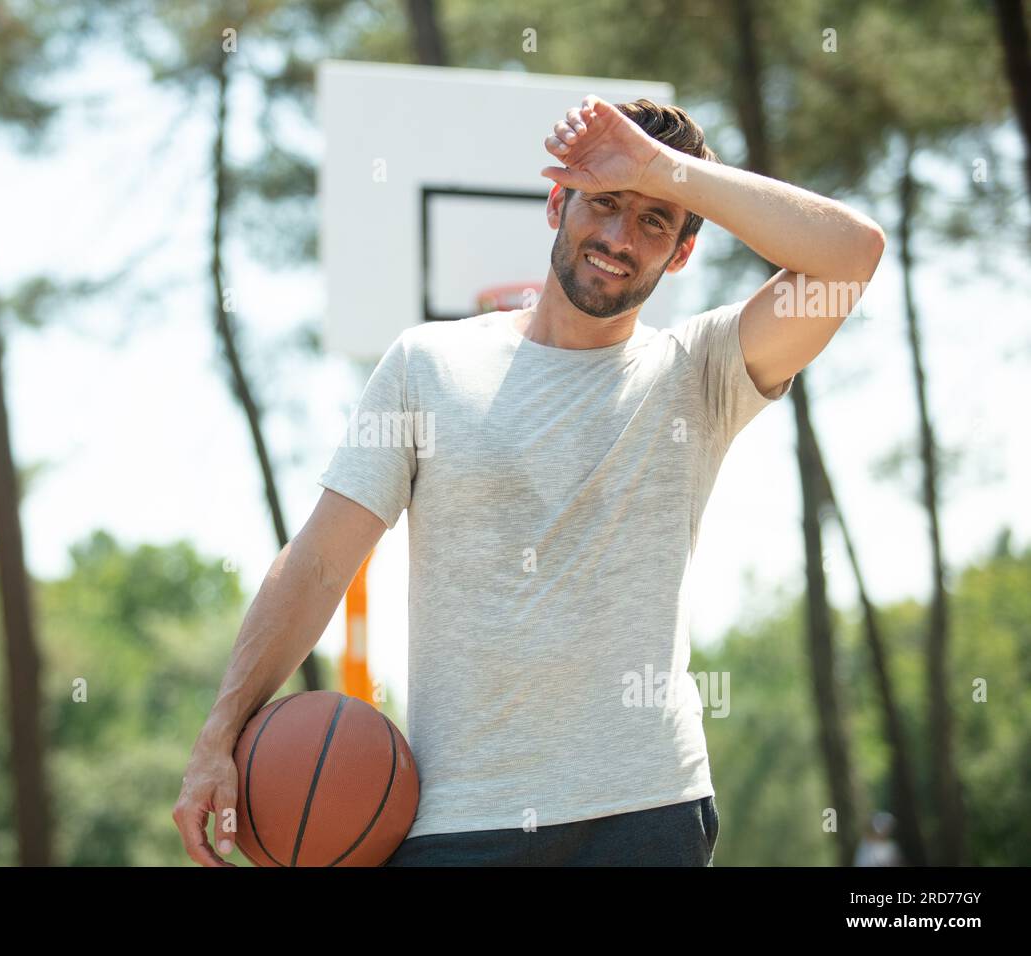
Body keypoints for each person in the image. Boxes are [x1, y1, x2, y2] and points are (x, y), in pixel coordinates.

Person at [173, 95, 886, 867]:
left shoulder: (699, 370)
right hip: (459, 820)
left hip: (646, 811)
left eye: (655, 221)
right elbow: (316, 563)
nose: (619, 237)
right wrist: (219, 734)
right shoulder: (427, 366)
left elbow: (851, 257)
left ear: (680, 254)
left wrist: (664, 172)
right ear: (557, 202)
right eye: (605, 204)